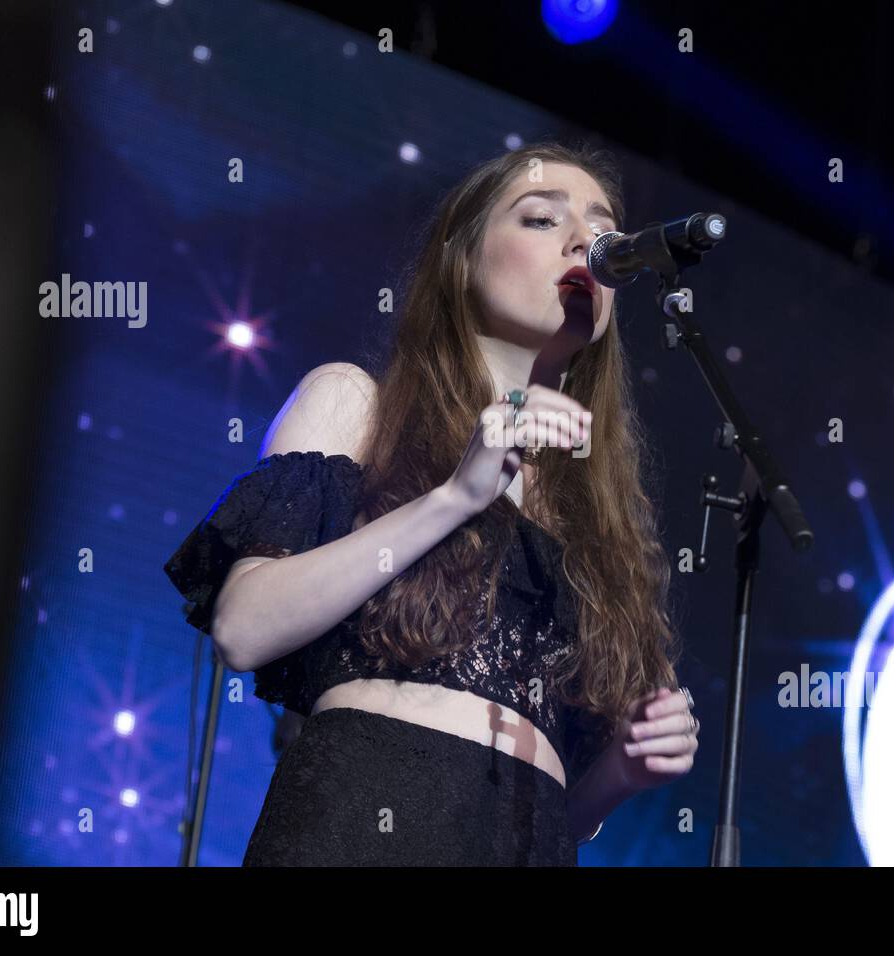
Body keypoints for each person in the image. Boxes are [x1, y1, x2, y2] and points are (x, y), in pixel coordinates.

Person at [163, 141, 699, 866]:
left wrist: (624, 771)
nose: (587, 241)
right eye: (543, 219)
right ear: (461, 256)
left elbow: (564, 811)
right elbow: (243, 627)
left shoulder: (597, 521)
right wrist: (454, 497)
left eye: (602, 228)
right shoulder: (359, 406)